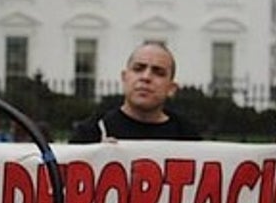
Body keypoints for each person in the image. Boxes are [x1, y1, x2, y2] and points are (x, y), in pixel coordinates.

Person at [70, 41, 201, 142]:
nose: (146, 77)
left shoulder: (187, 136)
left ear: (171, 89)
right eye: (138, 69)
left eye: (158, 72)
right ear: (124, 77)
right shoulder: (93, 131)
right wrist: (97, 156)